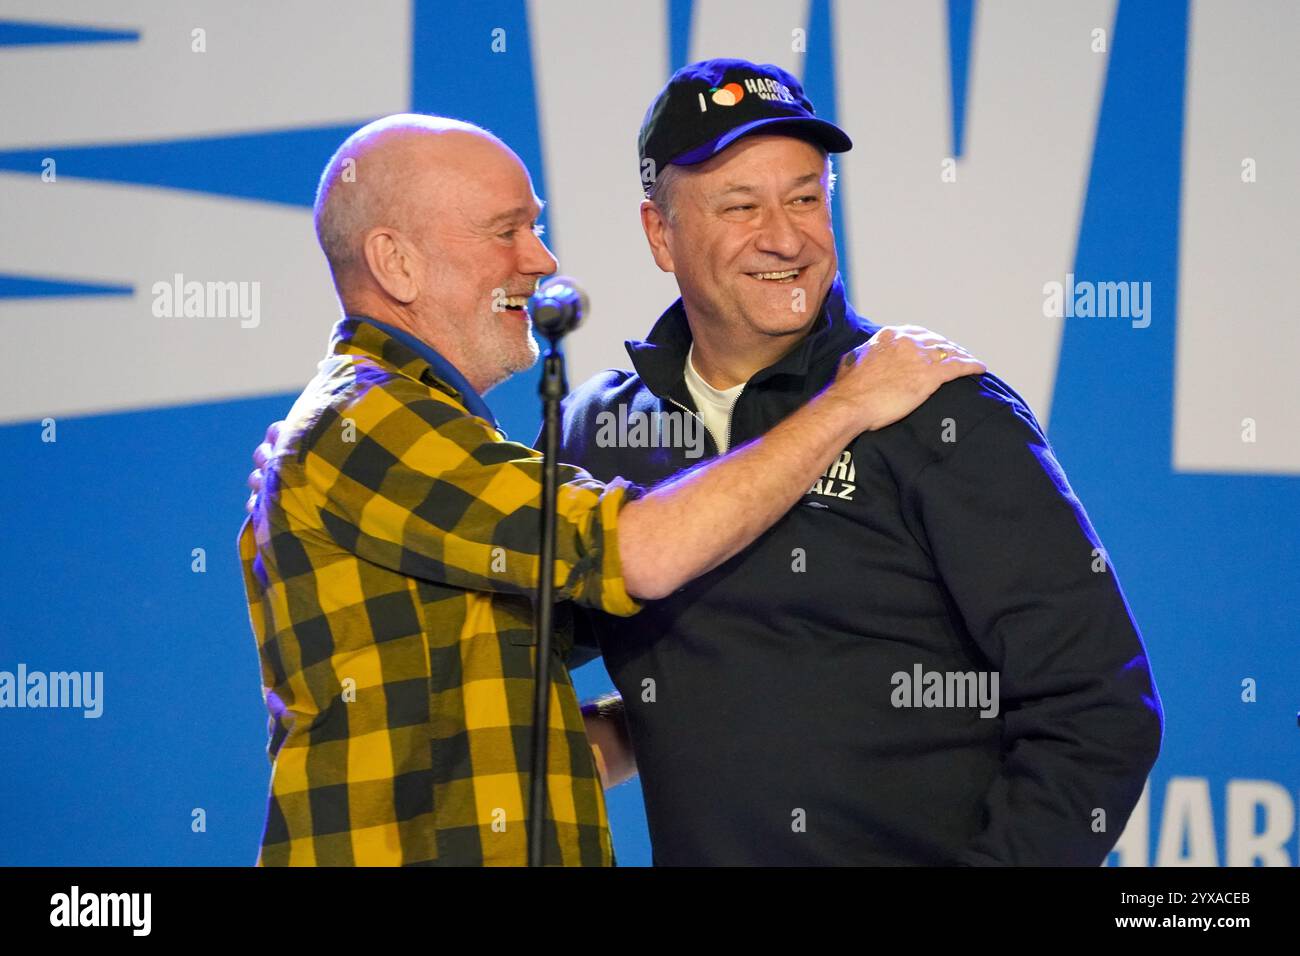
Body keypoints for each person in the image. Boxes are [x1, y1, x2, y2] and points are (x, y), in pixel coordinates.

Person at [238, 113, 982, 866]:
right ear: (396, 263)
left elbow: (534, 723)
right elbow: (641, 552)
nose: (541, 258)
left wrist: (731, 688)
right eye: (507, 232)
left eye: (536, 227)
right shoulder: (370, 422)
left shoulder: (420, 435)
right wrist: (849, 402)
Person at [555, 59, 1164, 866]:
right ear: (660, 234)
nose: (785, 237)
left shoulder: (935, 407)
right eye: (741, 206)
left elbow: (1100, 705)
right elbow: (513, 658)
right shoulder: (598, 432)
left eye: (806, 197)